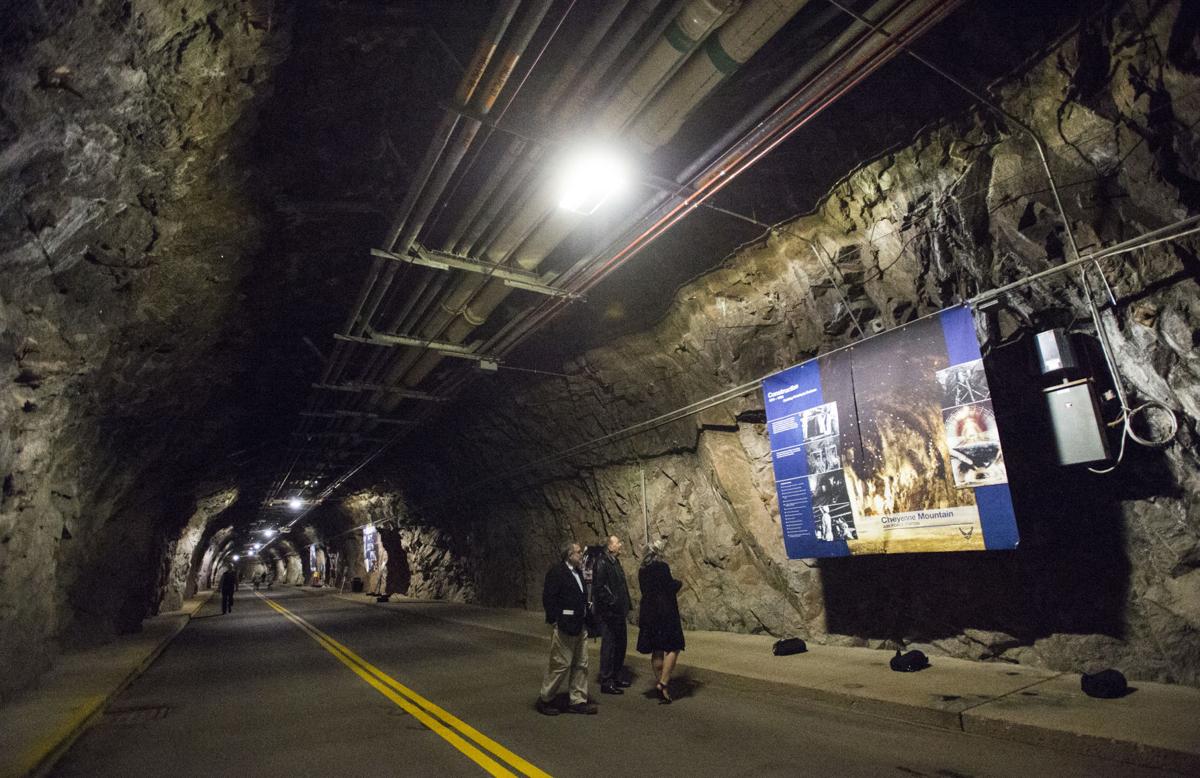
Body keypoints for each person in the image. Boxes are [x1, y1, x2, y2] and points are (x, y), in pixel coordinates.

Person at [537, 541, 597, 716]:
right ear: (569, 555)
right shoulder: (557, 573)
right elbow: (549, 598)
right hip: (565, 625)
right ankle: (546, 698)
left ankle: (578, 700)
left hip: (580, 624)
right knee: (560, 663)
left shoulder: (578, 572)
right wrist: (555, 620)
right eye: (578, 552)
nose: (581, 555)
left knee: (581, 663)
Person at [637, 538, 684, 704]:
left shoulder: (642, 570)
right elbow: (668, 586)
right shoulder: (662, 567)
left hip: (649, 614)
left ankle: (662, 687)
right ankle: (663, 682)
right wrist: (679, 583)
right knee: (674, 646)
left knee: (656, 649)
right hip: (665, 613)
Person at [593, 535, 632, 695]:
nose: (620, 545)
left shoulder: (615, 562)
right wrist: (613, 602)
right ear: (609, 546)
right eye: (618, 543)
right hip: (609, 613)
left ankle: (615, 676)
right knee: (609, 646)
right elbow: (600, 587)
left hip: (618, 611)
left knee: (620, 644)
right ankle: (606, 680)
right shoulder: (602, 562)